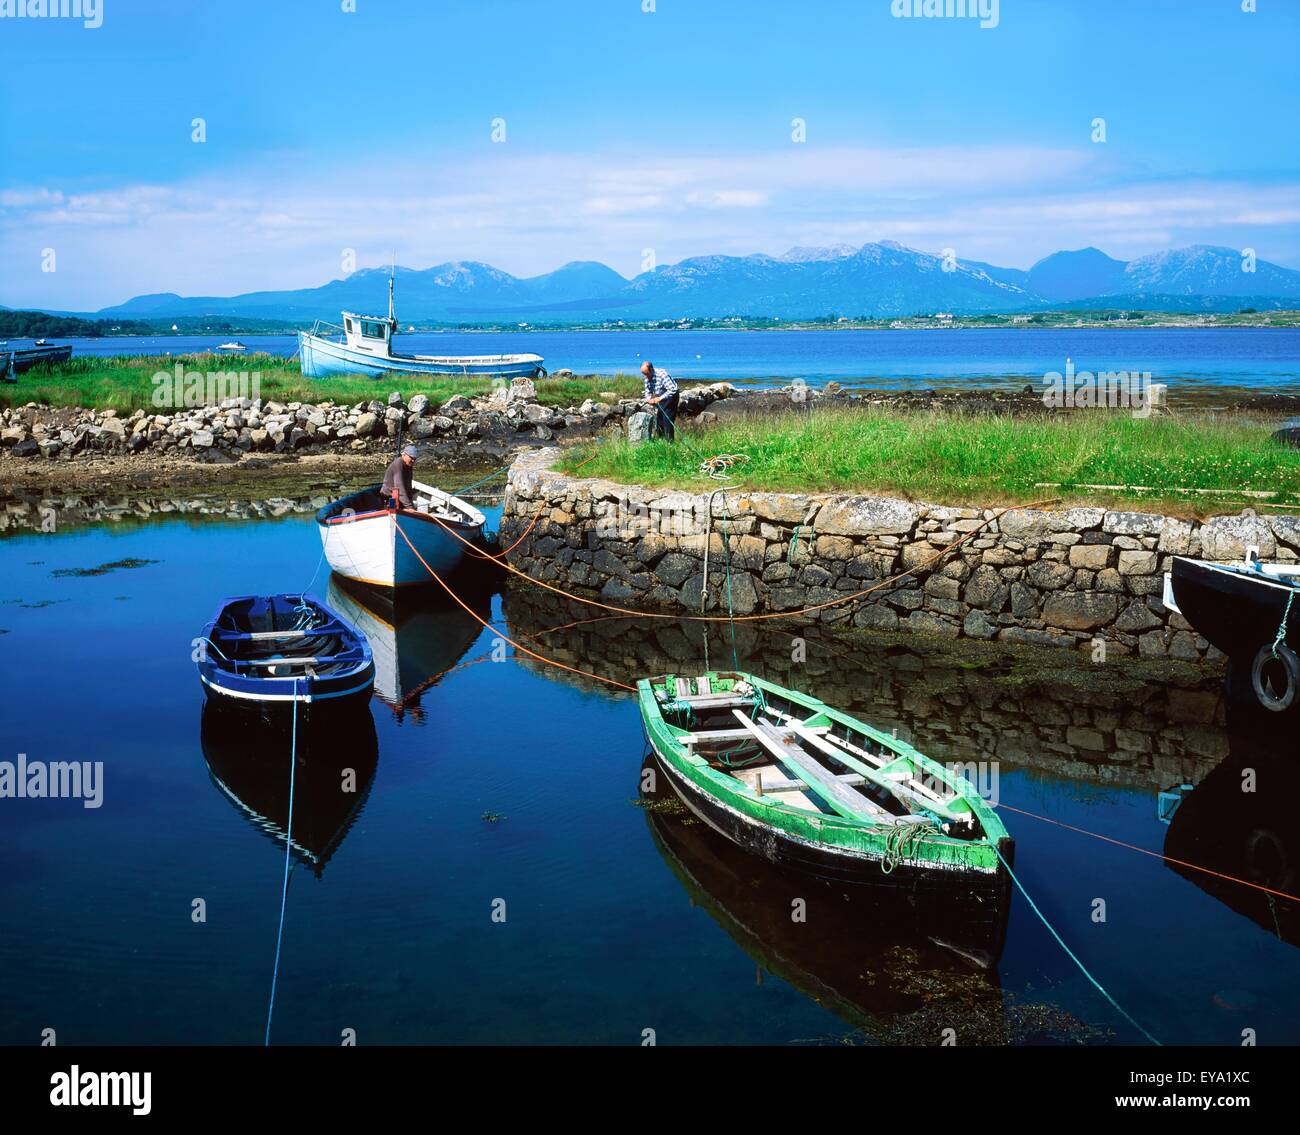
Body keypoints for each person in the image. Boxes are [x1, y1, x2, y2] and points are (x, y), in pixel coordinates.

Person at [640, 360, 679, 442]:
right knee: (659, 421)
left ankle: (670, 443)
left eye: (646, 374)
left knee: (667, 421)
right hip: (661, 397)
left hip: (671, 397)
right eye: (643, 374)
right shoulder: (647, 377)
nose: (645, 376)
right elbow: (648, 391)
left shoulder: (662, 374)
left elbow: (673, 390)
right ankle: (661, 442)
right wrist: (649, 399)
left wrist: (659, 398)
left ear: (651, 369)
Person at [383, 444, 418, 510]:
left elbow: (408, 487)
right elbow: (399, 487)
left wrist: (411, 505)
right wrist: (410, 507)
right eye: (411, 458)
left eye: (414, 459)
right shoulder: (398, 464)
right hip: (389, 497)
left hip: (399, 498)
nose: (413, 461)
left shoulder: (409, 465)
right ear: (404, 455)